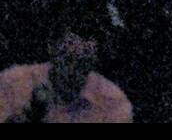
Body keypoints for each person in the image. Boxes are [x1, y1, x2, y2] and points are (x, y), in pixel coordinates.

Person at [0, 29, 132, 123]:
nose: (72, 71)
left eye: (83, 63)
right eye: (68, 60)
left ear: (95, 61)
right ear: (52, 49)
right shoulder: (11, 84)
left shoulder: (113, 103)